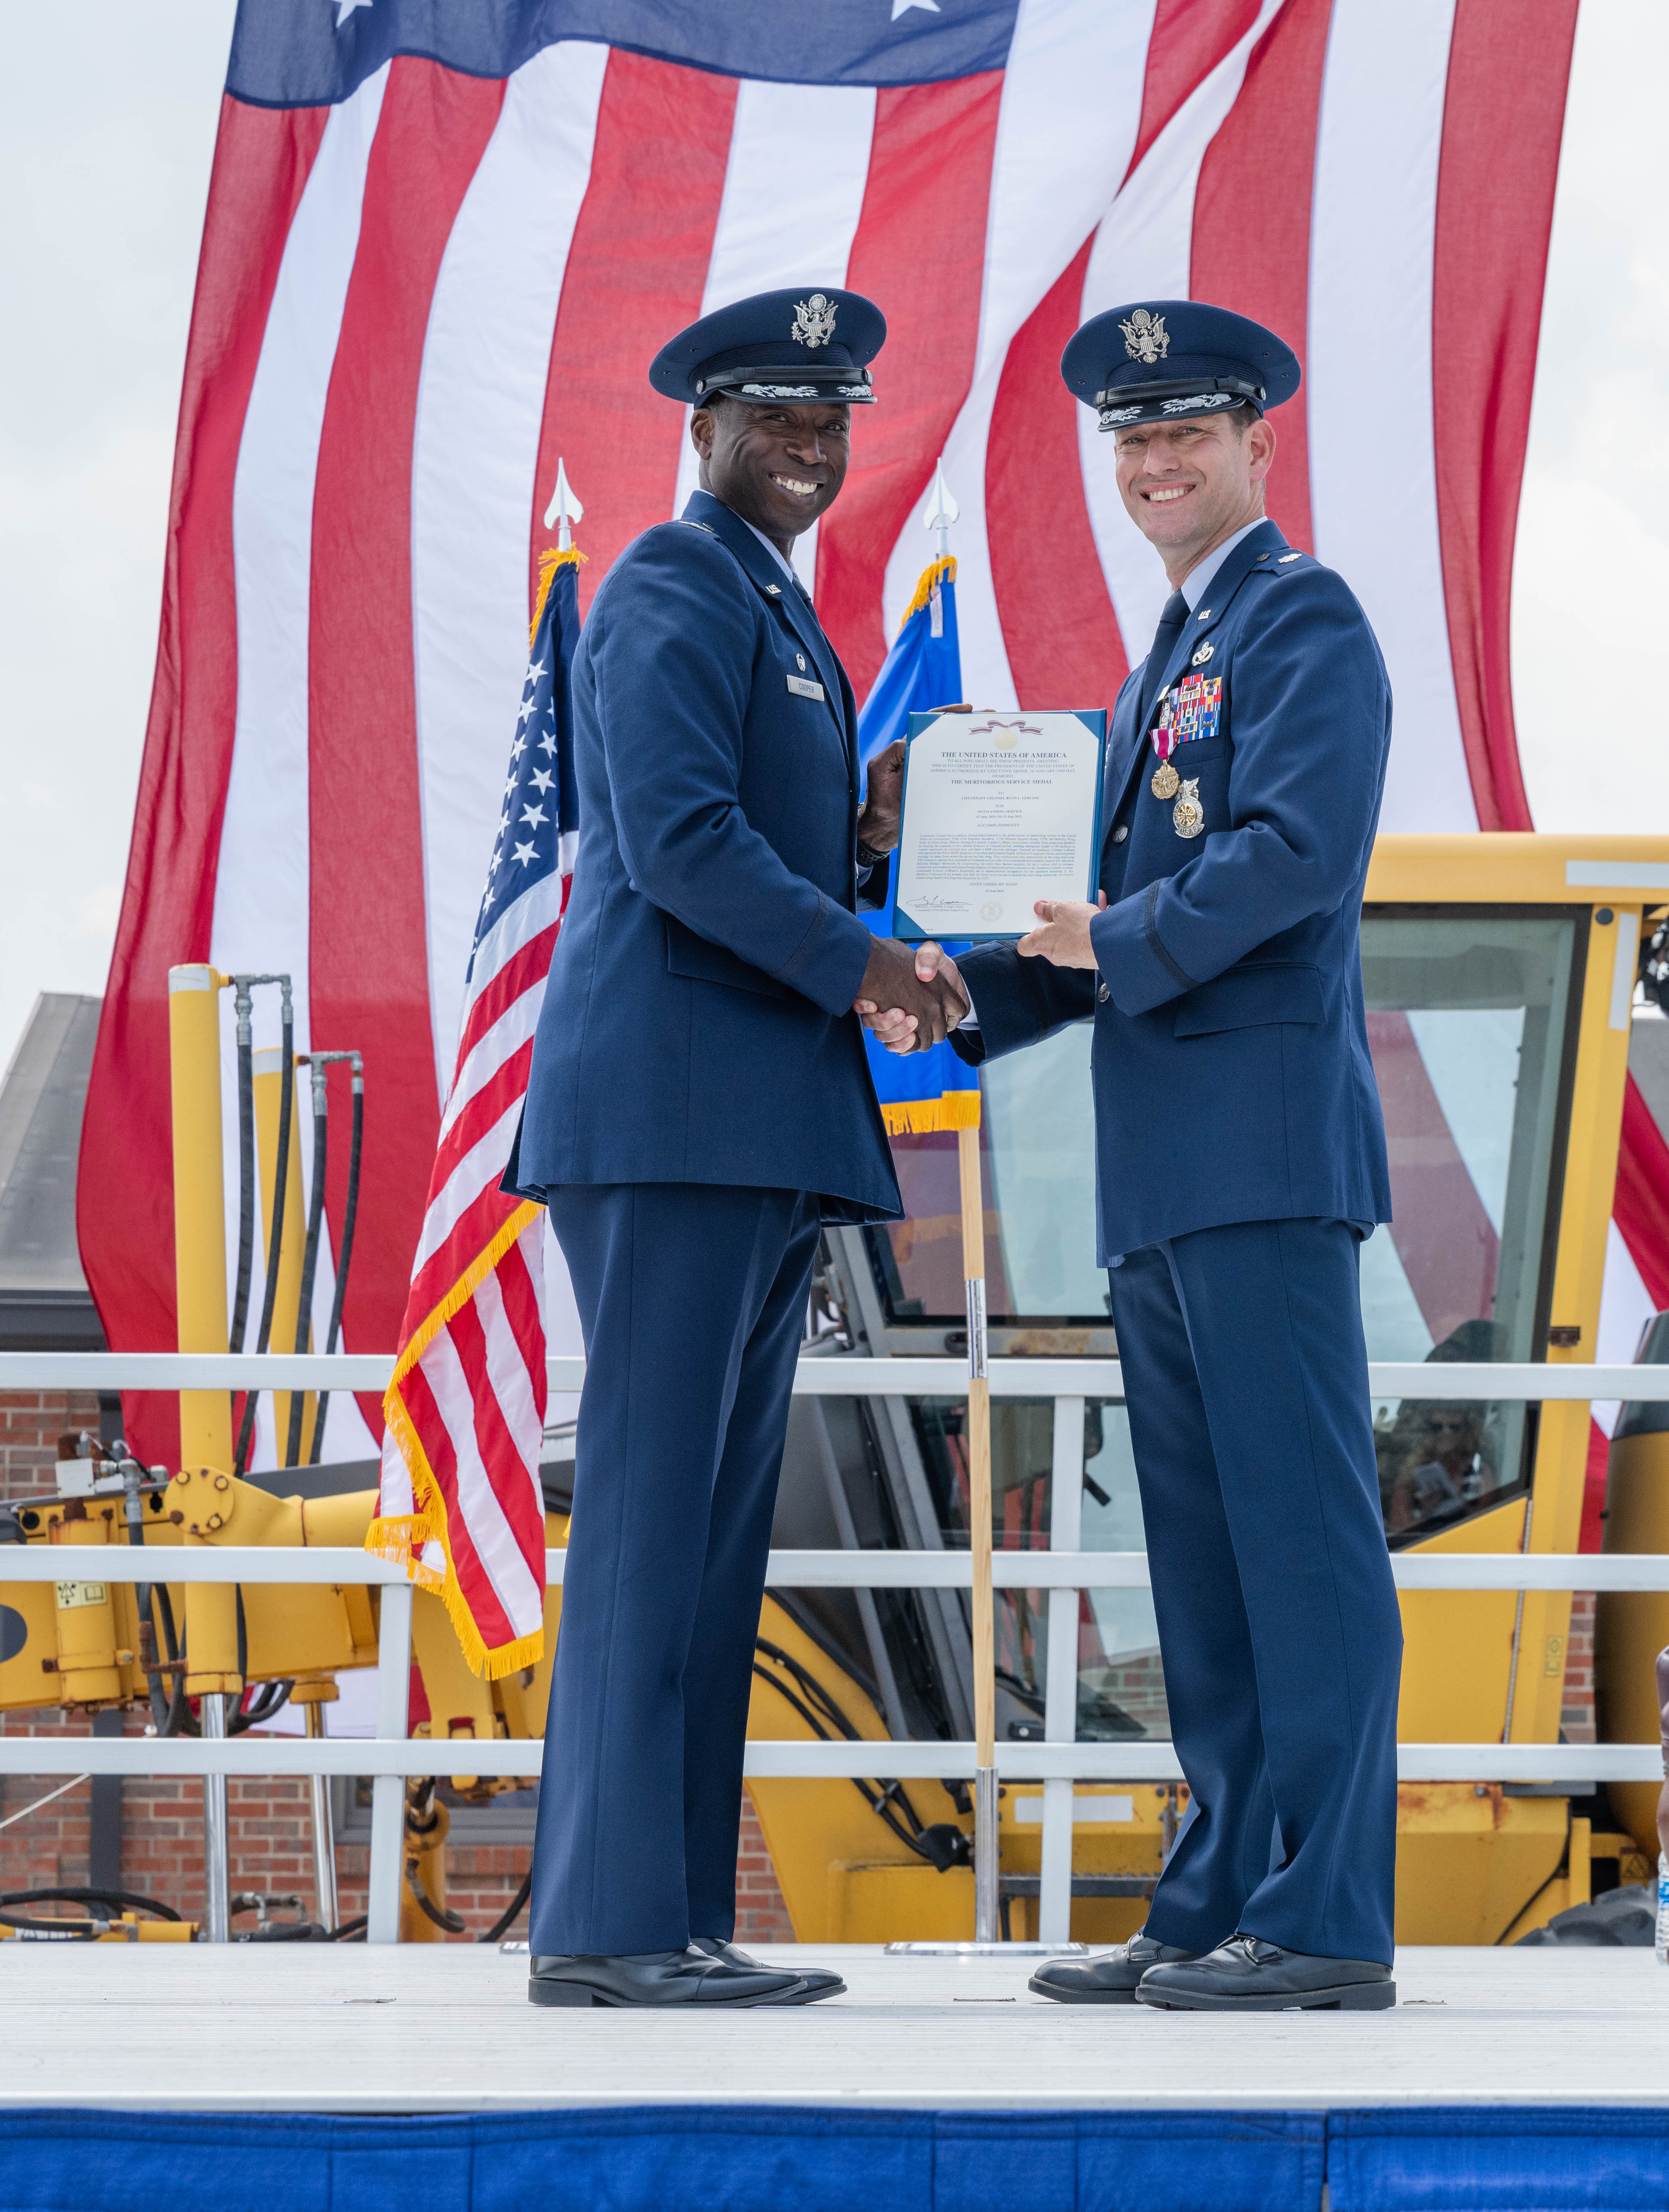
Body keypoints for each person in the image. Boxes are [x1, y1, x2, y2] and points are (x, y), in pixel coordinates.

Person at [860, 302, 1402, 2012]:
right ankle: (1217, 1897)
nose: (1156, 463)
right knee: (1205, 1566)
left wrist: (1106, 936)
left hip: (1262, 1158)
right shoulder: (1167, 656)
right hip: (1166, 1171)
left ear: (1257, 445)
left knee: (1298, 1548)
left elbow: (1296, 856)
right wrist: (960, 992)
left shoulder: (1302, 620)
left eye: (1186, 433)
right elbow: (1092, 928)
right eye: (1133, 439)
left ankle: (1323, 1921)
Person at [515, 287, 963, 2010]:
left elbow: (749, 832)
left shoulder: (774, 605)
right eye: (775, 411)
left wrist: (864, 829)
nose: (809, 440)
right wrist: (870, 964)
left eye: (829, 416)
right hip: (672, 1116)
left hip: (751, 1123)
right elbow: (679, 841)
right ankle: (606, 1928)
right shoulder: (669, 582)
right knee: (649, 1525)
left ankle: (673, 1917)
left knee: (710, 1546)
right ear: (701, 427)